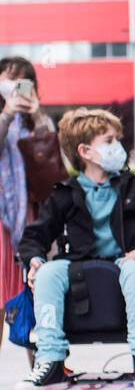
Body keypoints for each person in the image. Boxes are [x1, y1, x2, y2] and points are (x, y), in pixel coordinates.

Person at [13, 108, 135, 390]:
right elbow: (35, 235)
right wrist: (35, 259)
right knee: (48, 272)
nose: (118, 147)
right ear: (85, 151)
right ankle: (50, 360)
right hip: (81, 266)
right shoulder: (65, 193)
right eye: (109, 140)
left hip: (125, 264)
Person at [0, 57, 57, 359]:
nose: (14, 84)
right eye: (9, 78)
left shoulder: (37, 121)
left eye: (22, 80)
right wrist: (8, 113)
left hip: (31, 219)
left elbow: (52, 161)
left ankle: (41, 371)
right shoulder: (4, 116)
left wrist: (36, 114)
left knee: (38, 296)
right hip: (2, 220)